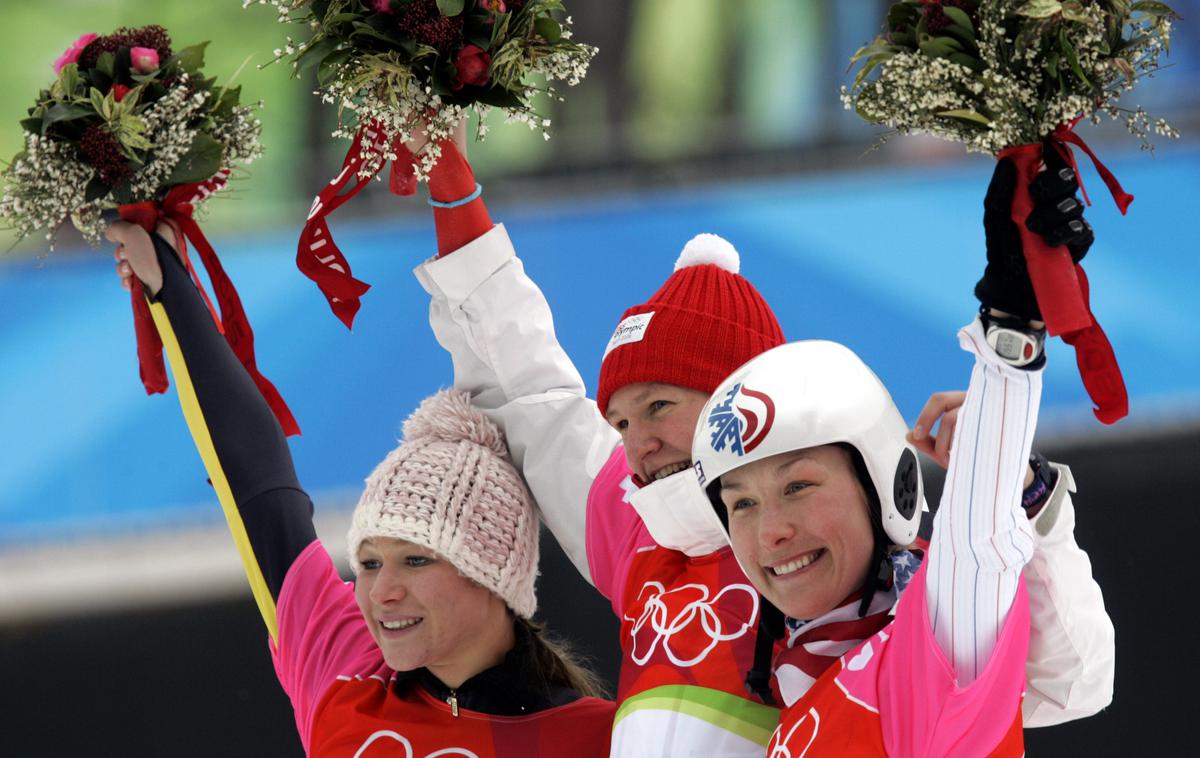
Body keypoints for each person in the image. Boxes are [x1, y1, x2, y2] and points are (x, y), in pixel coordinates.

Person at [408, 138, 1113, 754]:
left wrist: (1017, 487)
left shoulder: (890, 576)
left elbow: (1068, 684)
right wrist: (454, 193)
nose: (637, 444)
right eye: (619, 423)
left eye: (659, 407)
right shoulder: (642, 540)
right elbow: (530, 394)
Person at [106, 220, 615, 757]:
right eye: (369, 563)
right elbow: (257, 481)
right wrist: (170, 287)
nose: (381, 593)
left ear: (492, 576)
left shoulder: (604, 739)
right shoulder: (343, 672)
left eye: (415, 561)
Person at [686, 152, 1092, 753]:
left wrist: (1012, 331)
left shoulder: (926, 655)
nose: (770, 530)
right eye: (740, 504)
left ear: (890, 488)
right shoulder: (784, 684)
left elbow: (979, 550)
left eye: (798, 486)